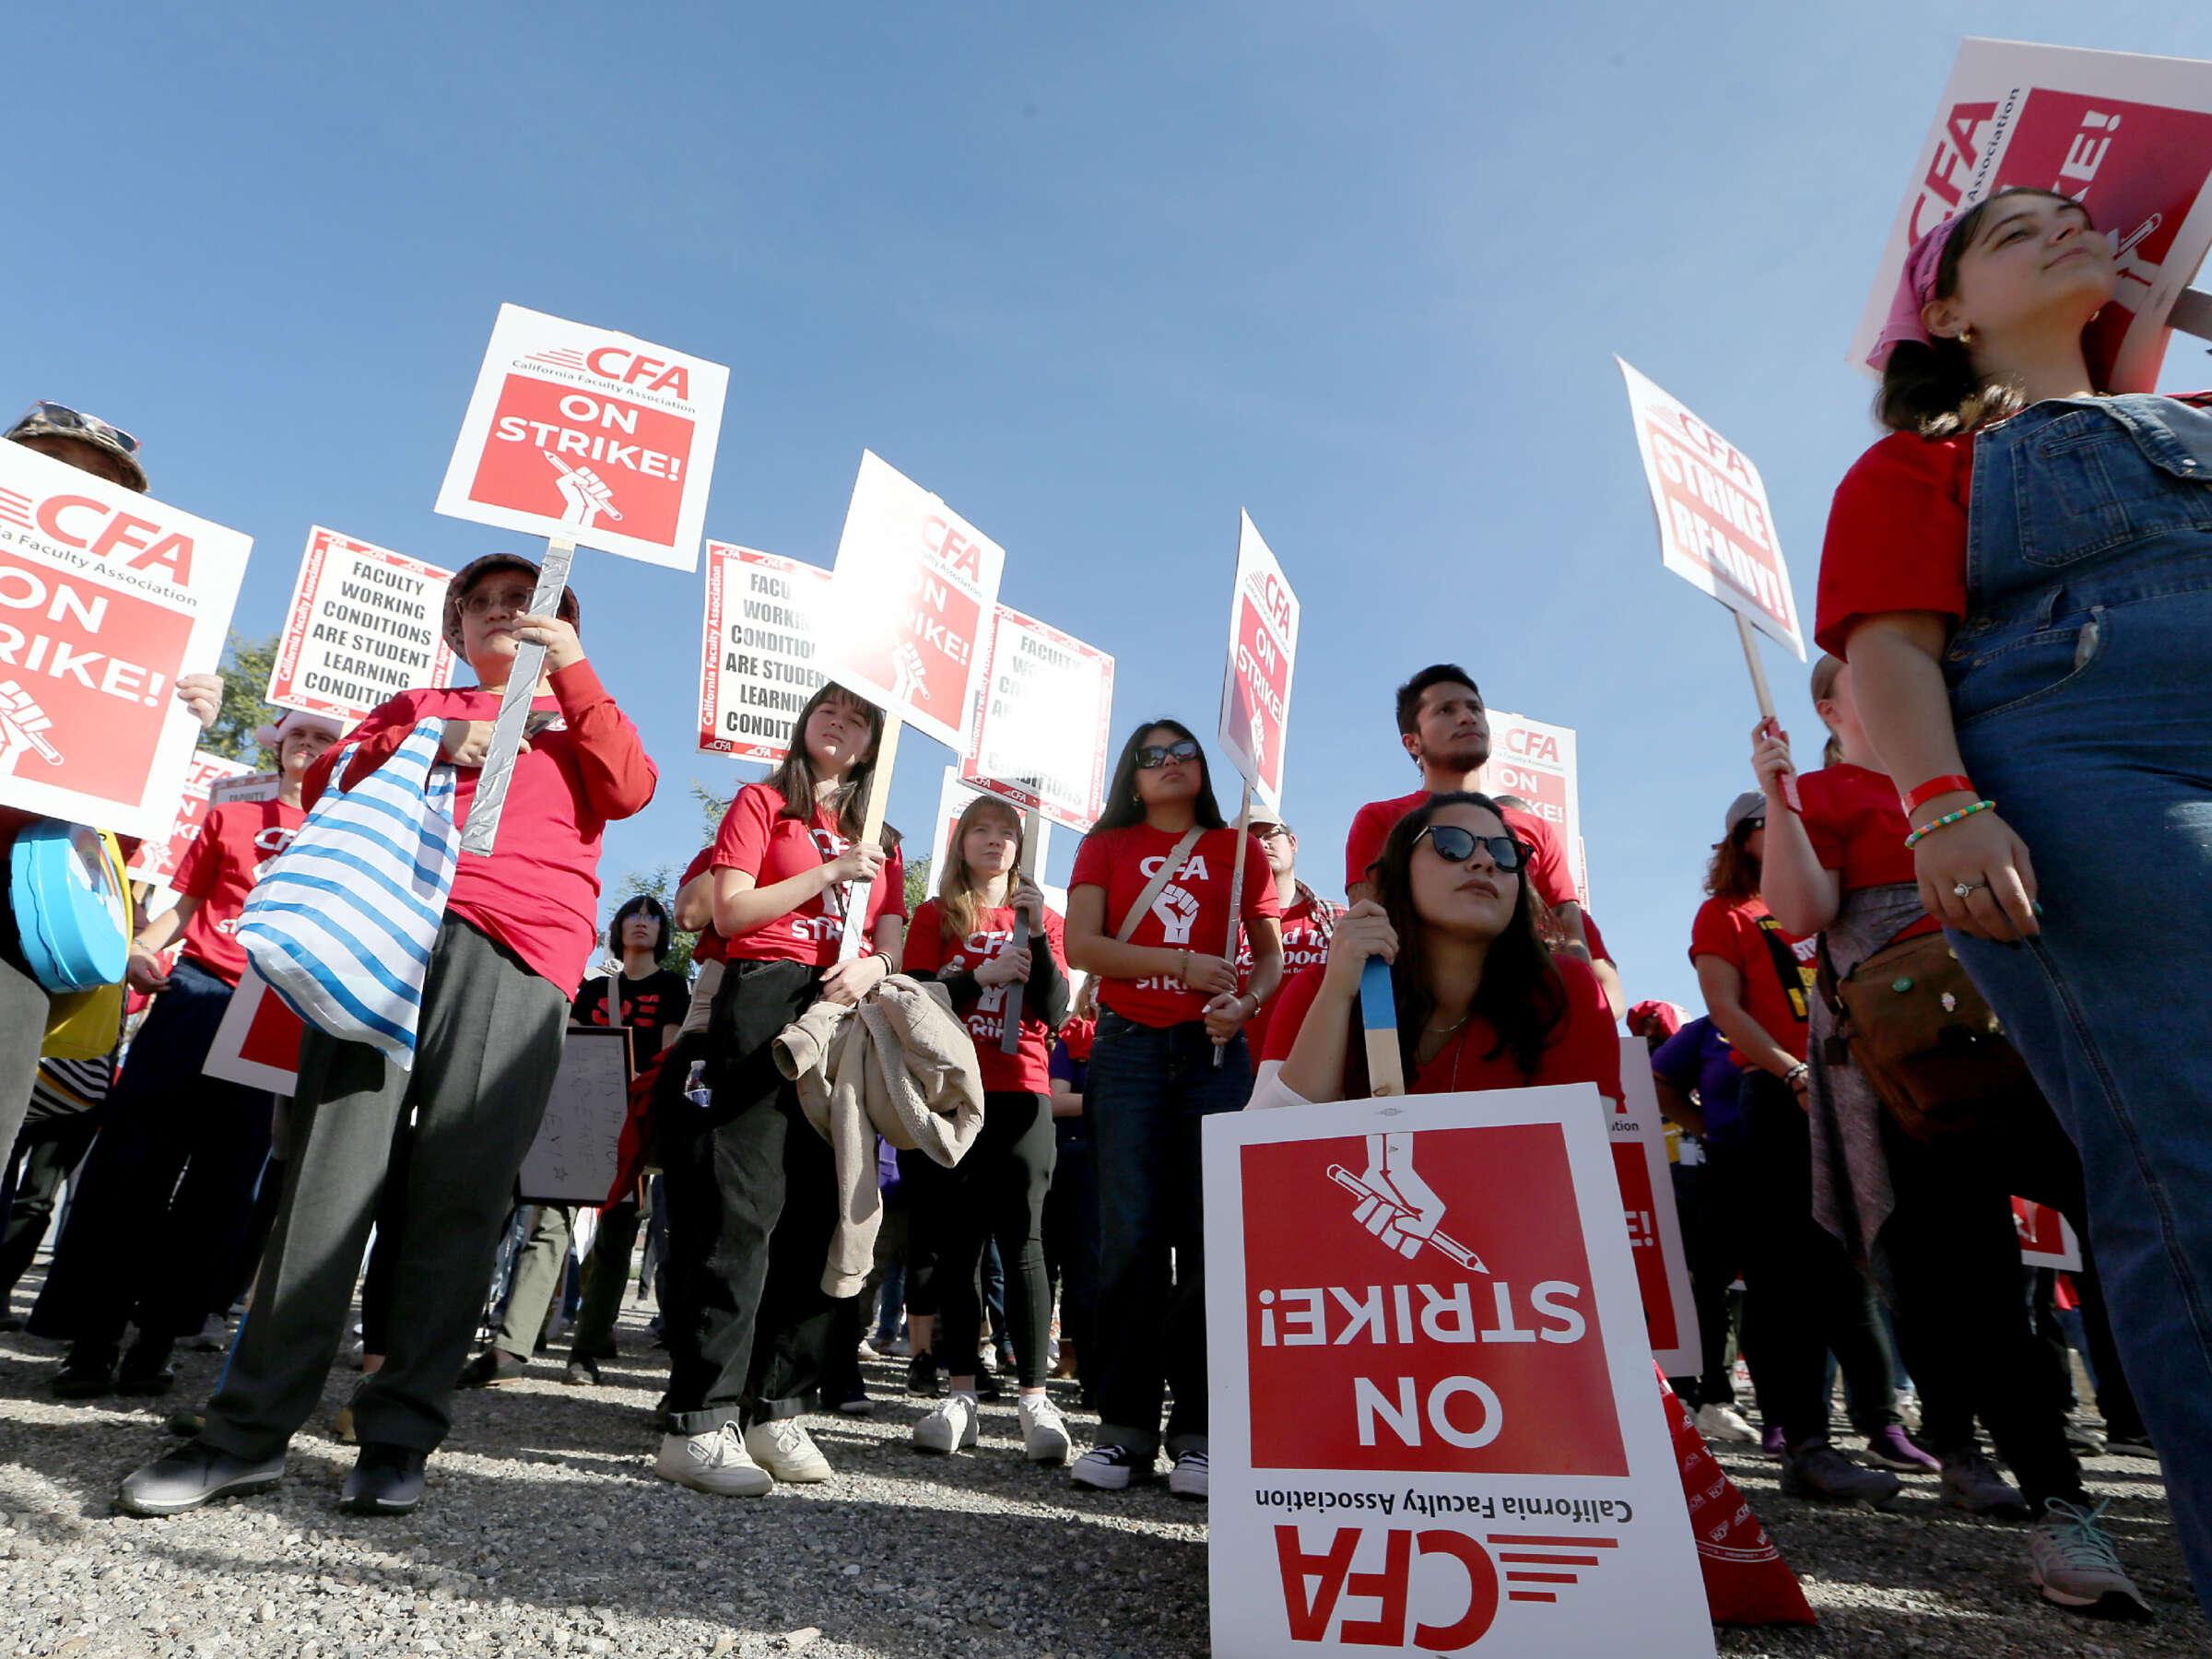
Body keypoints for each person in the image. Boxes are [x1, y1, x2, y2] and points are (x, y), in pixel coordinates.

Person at [1818, 182, 2212, 1612]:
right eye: (2013, 228)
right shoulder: (1923, 466)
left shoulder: (2194, 424)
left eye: (2076, 217)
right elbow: (1890, 647)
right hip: (2098, 776)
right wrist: (1943, 801)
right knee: (2194, 1151)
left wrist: (2178, 310)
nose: (2061, 225)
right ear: (1948, 313)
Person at [117, 552, 653, 1519]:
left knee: (458, 1196)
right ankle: (246, 1433)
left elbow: (628, 787)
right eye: (483, 602)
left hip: (518, 955)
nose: (503, 612)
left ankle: (399, 1434)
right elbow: (325, 779)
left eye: (527, 603)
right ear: (454, 630)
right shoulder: (416, 703)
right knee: (324, 1185)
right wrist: (428, 748)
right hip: (382, 934)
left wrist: (573, 674)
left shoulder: (583, 717)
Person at [1751, 651, 2146, 1617]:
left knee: (2145, 1218)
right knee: (1970, 1283)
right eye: (1868, 678)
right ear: (1831, 706)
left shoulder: (1973, 777)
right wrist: (1780, 798)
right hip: (1923, 1067)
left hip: (2045, 1034)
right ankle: (2060, 1504)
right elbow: (1799, 913)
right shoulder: (1826, 791)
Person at [34, 710, 342, 1395]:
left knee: (225, 1183)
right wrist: (141, 950)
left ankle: (159, 1341)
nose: (308, 746)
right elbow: (186, 904)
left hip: (276, 1010)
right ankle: (92, 1338)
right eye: (299, 734)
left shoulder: (344, 837)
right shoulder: (231, 817)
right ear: (281, 744)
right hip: (195, 993)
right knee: (130, 1165)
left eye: (325, 739)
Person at [654, 681, 906, 1500]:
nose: (840, 723)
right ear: (805, 724)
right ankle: (700, 1417)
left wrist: (873, 964)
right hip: (764, 997)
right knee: (745, 1207)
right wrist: (830, 868)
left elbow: (894, 945)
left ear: (873, 743)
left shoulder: (886, 840)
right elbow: (726, 912)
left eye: (859, 717)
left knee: (818, 1212)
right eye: (828, 709)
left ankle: (778, 1406)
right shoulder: (762, 803)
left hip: (846, 1014)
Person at [0, 404, 223, 1201]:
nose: (77, 492)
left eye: (101, 486)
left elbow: (116, 824)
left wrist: (176, 729)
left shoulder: (139, 634)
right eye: (54, 468)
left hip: (31, 905)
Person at [1064, 720, 1282, 1498]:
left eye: (1182, 752)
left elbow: (1272, 956)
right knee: (1129, 1240)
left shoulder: (1241, 849)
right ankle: (1122, 1430)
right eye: (1150, 756)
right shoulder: (1106, 847)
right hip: (1125, 1051)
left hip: (1214, 1056)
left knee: (1210, 1241)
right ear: (1131, 775)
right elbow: (1082, 947)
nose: (1167, 765)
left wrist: (1245, 1004)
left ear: (1203, 767)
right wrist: (1183, 964)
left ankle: (1199, 1432)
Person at [1690, 791, 1921, 1501]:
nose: (1790, 832)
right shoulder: (1727, 915)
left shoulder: (1832, 903)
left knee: (1861, 1268)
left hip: (1862, 1090)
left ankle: (1887, 1426)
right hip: (1782, 1097)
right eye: (1769, 823)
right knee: (1785, 1270)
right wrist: (1789, 1069)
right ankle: (1804, 1441)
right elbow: (1726, 1011)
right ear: (1741, 839)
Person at [900, 792, 1074, 1464]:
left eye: (1008, 831)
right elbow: (911, 1001)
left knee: (1024, 1243)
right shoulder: (935, 915)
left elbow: (1056, 1012)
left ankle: (1035, 1398)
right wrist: (979, 974)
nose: (996, 840)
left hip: (1022, 1092)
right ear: (961, 842)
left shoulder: (1042, 917)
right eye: (982, 829)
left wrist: (1035, 943)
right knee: (958, 1245)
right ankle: (962, 1393)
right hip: (951, 1096)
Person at [457, 893, 685, 1389]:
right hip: (581, 1118)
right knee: (549, 1225)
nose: (642, 922)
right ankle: (512, 1348)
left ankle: (587, 1349)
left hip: (637, 1121)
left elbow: (669, 1057)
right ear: (618, 927)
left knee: (617, 1236)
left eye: (652, 916)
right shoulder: (594, 988)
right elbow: (572, 1046)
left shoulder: (672, 987)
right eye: (633, 914)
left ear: (662, 931)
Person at [1265, 791, 1619, 1106]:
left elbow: (1578, 1156)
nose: (1485, 861)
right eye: (1452, 844)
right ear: (1401, 869)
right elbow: (1267, 1145)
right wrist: (1338, 995)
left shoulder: (1566, 990)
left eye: (1504, 851)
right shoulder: (1323, 986)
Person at [1342, 667, 1585, 960]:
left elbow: (1572, 941)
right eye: (1445, 710)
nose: (1467, 718)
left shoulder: (1536, 829)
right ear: (1412, 742)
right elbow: (1369, 931)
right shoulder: (1380, 819)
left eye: (1475, 708)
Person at [1239, 818, 1338, 1063]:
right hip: (1241, 1072)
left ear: (1292, 843)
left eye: (1270, 834)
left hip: (1318, 1066)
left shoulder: (1337, 917)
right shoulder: (1227, 925)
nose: (1261, 844)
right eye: (1250, 841)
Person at [1042, 979, 1100, 1397]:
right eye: (1094, 982)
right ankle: (1060, 1360)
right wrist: (1114, 1100)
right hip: (1073, 1157)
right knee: (1068, 1266)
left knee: (1093, 1270)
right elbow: (1055, 1101)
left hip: (1113, 1160)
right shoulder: (1073, 1035)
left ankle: (1089, 1364)